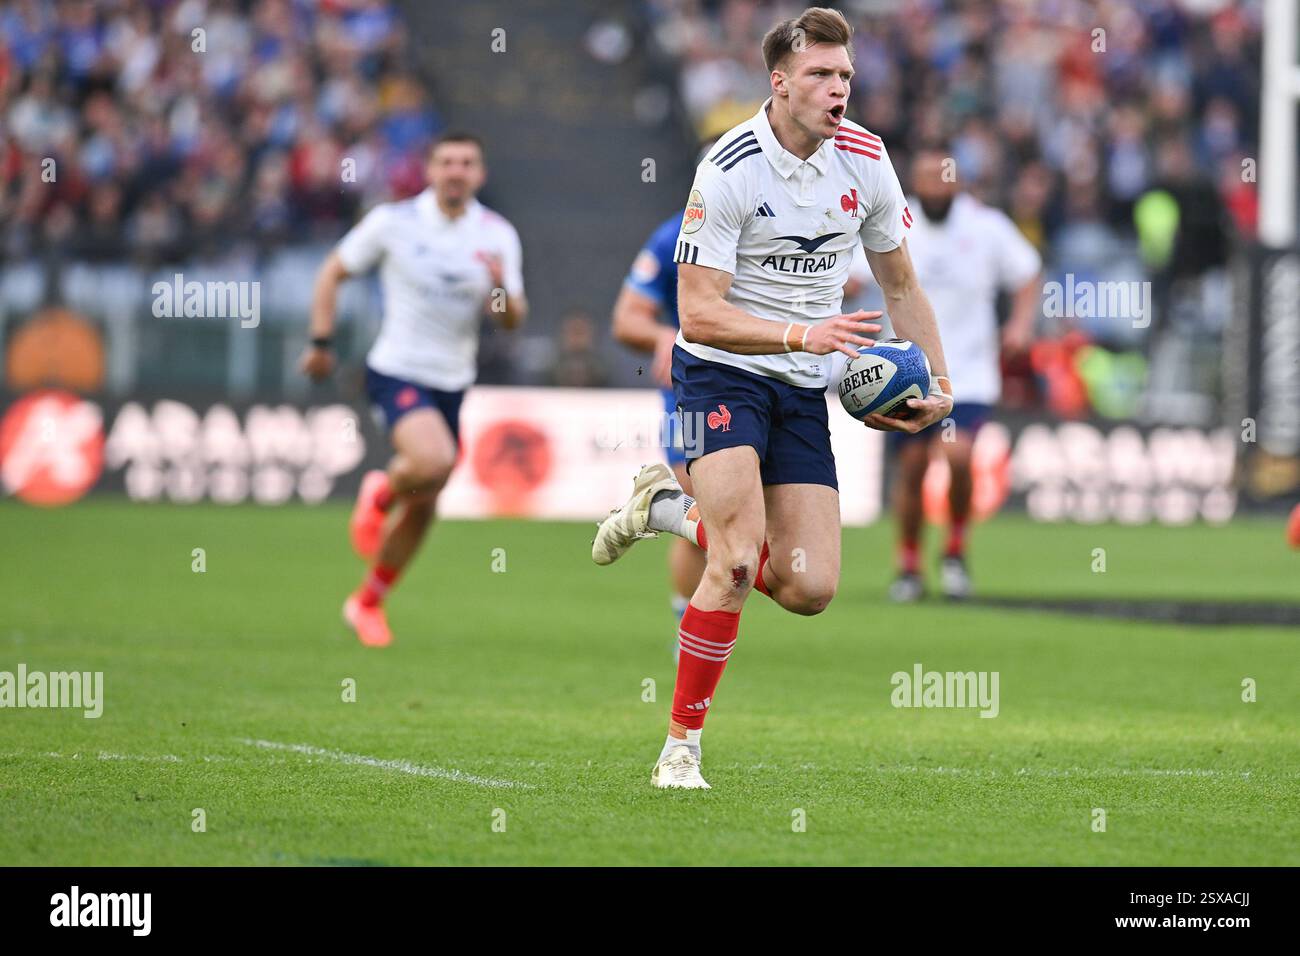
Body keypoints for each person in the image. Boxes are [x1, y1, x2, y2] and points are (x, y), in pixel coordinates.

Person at [592, 7, 953, 790]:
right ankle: (680, 749)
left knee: (809, 586)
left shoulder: (867, 159)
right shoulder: (728, 167)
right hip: (716, 373)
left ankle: (662, 509)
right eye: (821, 75)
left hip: (801, 385)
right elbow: (697, 313)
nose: (838, 90)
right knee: (731, 563)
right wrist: (802, 335)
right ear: (779, 82)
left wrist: (942, 386)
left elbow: (900, 284)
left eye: (846, 75)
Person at [301, 132, 527, 647]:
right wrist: (319, 341)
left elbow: (512, 319)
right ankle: (379, 492)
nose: (456, 171)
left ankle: (366, 602)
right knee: (433, 461)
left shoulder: (496, 234)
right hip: (396, 369)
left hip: (453, 381)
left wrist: (497, 291)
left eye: (466, 163)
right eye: (446, 161)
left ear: (479, 174)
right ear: (429, 170)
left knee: (425, 503)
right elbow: (331, 272)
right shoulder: (393, 222)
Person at [884, 146, 1042, 602]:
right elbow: (854, 274)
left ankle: (954, 552)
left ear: (957, 179)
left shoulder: (986, 226)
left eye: (942, 175)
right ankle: (909, 565)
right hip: (907, 369)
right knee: (912, 468)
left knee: (956, 457)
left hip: (967, 371)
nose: (934, 184)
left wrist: (1020, 324)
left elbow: (1029, 274)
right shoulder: (893, 221)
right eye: (926, 176)